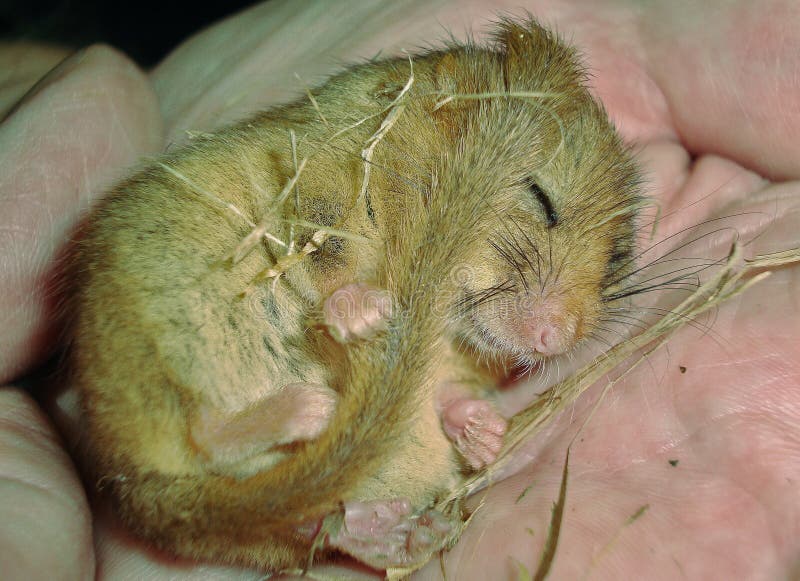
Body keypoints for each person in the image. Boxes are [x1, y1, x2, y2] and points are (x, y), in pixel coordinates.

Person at [1, 1, 797, 578]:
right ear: (451, 117)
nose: (563, 324)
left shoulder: (458, 289)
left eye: (608, 268)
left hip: (286, 433)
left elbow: (446, 364)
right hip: (206, 347)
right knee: (155, 234)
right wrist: (341, 287)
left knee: (431, 458)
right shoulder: (389, 132)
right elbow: (310, 196)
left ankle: (312, 508)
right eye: (543, 209)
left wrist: (460, 409)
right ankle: (215, 437)